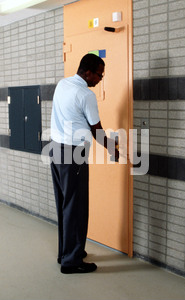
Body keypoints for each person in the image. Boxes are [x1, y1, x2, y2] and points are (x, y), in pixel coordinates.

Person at [50, 53, 119, 274]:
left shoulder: (63, 84)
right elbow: (96, 130)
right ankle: (72, 261)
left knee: (65, 204)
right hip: (73, 155)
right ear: (87, 72)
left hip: (56, 149)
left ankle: (66, 252)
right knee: (76, 208)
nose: (100, 79)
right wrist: (112, 148)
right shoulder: (85, 94)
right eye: (99, 74)